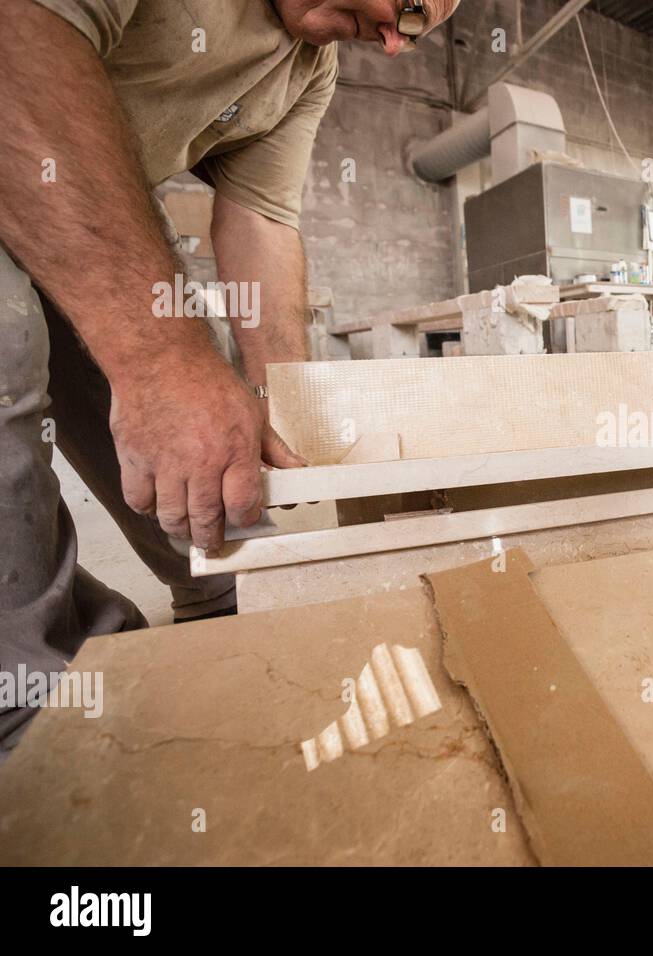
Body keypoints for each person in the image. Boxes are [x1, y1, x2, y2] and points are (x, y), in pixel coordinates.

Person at [0, 0, 460, 757]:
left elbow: (263, 220)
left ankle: (220, 584)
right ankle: (23, 713)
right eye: (406, 7)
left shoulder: (308, 67)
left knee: (188, 381)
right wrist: (161, 363)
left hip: (59, 187)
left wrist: (286, 399)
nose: (396, 43)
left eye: (419, 31)